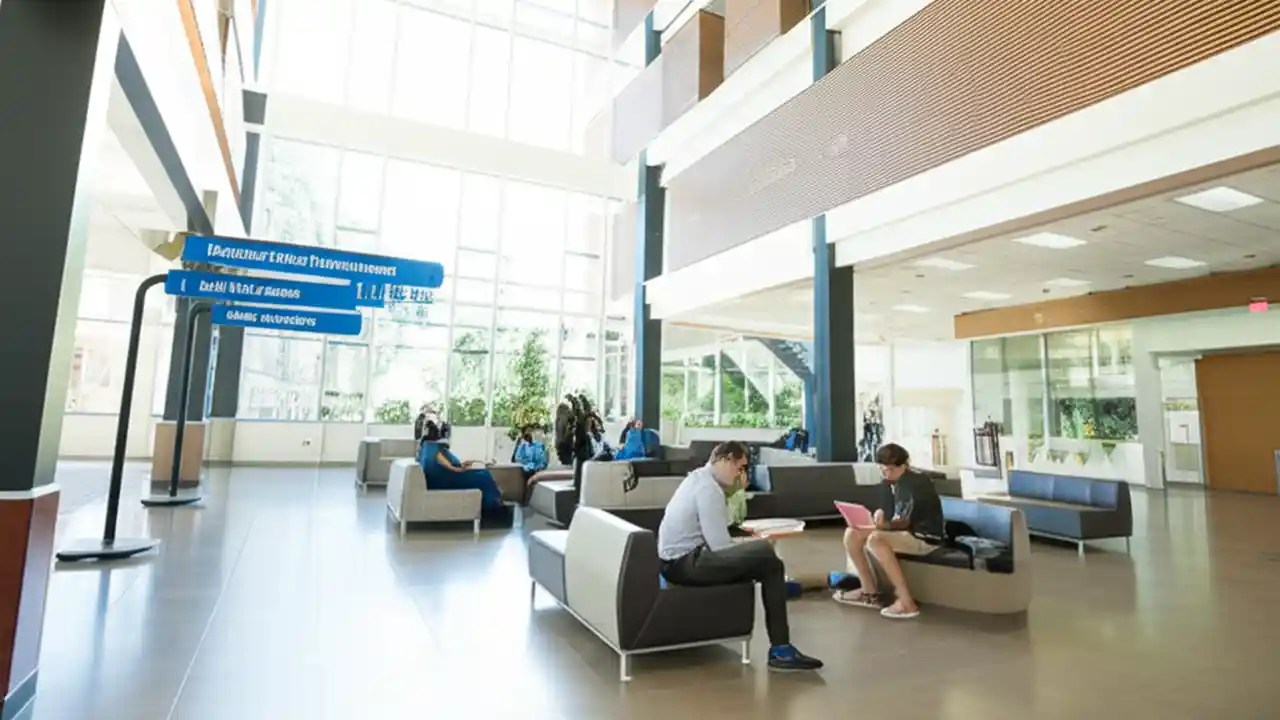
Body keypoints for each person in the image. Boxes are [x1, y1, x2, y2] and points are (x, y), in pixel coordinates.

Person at [657, 441, 824, 672]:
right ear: (725, 460)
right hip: (686, 564)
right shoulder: (708, 490)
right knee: (767, 557)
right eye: (740, 468)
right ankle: (781, 649)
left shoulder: (698, 478)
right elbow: (720, 546)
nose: (741, 474)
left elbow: (716, 536)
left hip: (676, 562)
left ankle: (782, 644)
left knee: (768, 562)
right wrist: (755, 544)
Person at [833, 443, 944, 620]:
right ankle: (869, 592)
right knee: (852, 534)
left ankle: (906, 601)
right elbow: (891, 510)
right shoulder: (892, 481)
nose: (886, 474)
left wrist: (885, 526)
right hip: (905, 534)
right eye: (883, 469)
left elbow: (907, 520)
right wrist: (880, 513)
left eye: (891, 469)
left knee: (875, 540)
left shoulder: (917, 482)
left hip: (924, 537)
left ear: (904, 465)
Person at [418, 420, 513, 526]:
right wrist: (463, 469)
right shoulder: (436, 449)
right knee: (483, 476)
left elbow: (448, 466)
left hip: (443, 478)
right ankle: (494, 506)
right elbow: (453, 469)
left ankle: (493, 502)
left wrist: (464, 464)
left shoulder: (425, 448)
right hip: (446, 480)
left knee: (482, 474)